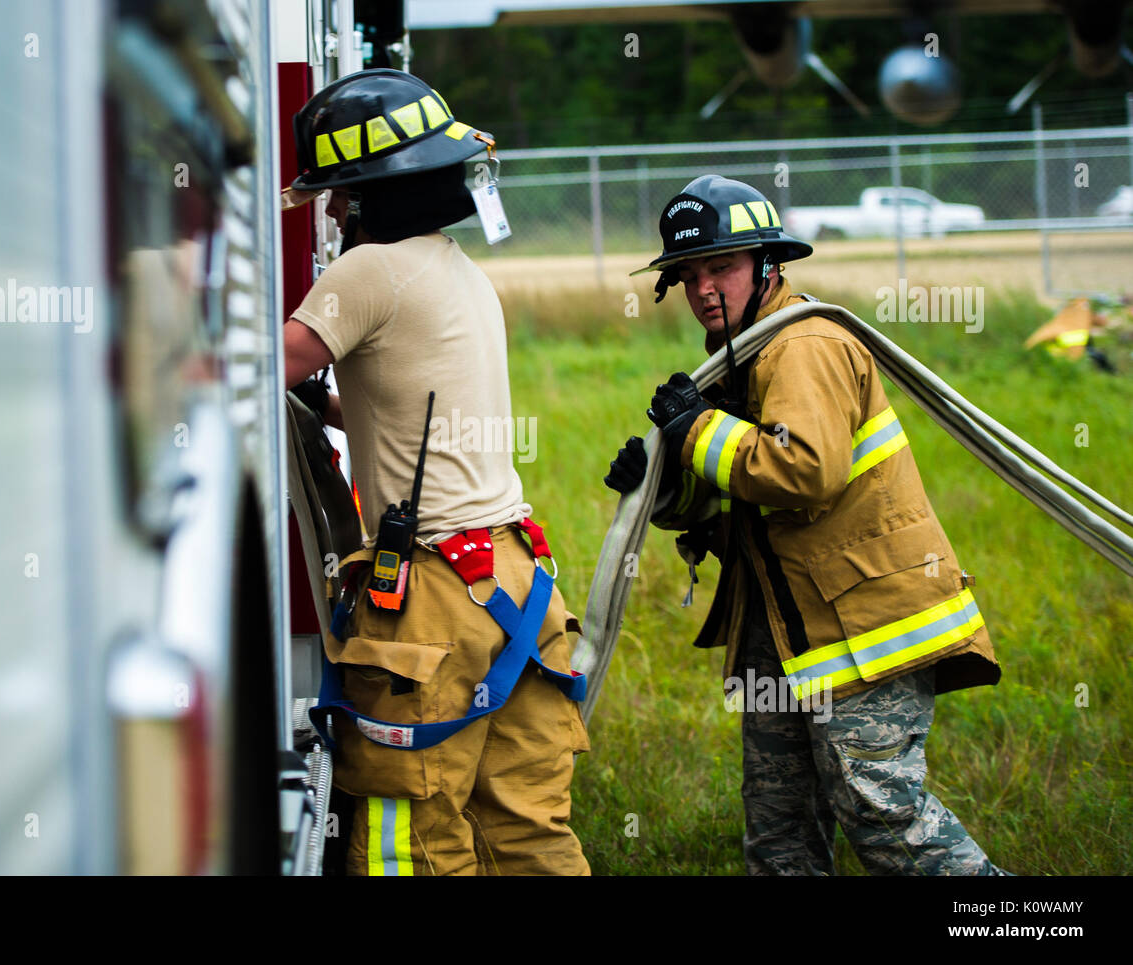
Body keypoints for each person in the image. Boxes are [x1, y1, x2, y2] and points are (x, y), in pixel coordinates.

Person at [605, 174, 1009, 876]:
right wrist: (663, 487)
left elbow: (804, 471)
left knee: (887, 821)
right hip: (787, 631)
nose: (705, 289)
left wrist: (696, 429)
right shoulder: (738, 358)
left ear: (769, 265)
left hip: (864, 630)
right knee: (781, 827)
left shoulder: (803, 344)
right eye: (689, 274)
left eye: (722, 267)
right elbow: (738, 498)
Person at [282, 69, 590, 876]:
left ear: (374, 194)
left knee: (408, 833)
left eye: (342, 196)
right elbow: (416, 414)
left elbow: (260, 364)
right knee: (525, 825)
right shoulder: (460, 271)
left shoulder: (367, 273)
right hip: (518, 580)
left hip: (431, 605)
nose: (337, 213)